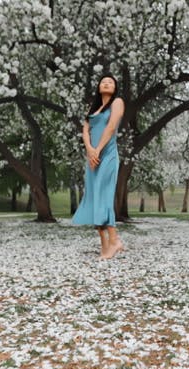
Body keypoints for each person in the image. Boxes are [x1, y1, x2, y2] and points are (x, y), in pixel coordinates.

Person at [72, 74, 125, 259]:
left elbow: (110, 128)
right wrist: (89, 149)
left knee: (104, 196)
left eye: (110, 82)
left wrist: (98, 150)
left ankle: (115, 240)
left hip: (107, 156)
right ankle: (104, 246)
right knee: (93, 197)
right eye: (103, 82)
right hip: (92, 158)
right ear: (98, 87)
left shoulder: (117, 102)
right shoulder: (94, 108)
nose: (107, 83)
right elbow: (85, 130)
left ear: (115, 88)